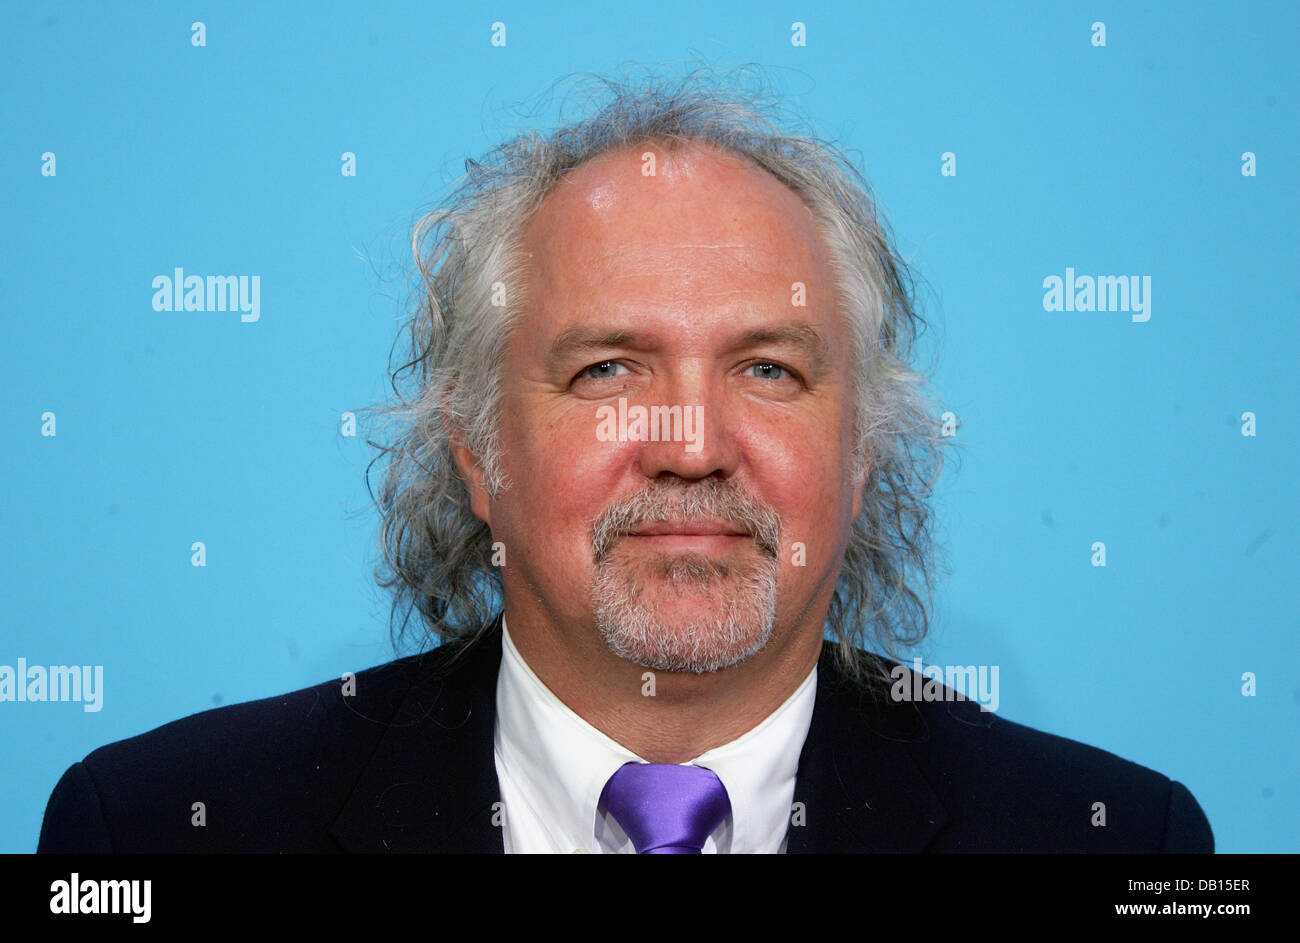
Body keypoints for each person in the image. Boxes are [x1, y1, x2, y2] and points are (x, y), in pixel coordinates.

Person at [38, 73, 1213, 854]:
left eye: (768, 370)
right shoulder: (155, 831)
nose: (691, 446)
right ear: (476, 449)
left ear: (860, 455)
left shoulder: (1111, 842)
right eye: (607, 372)